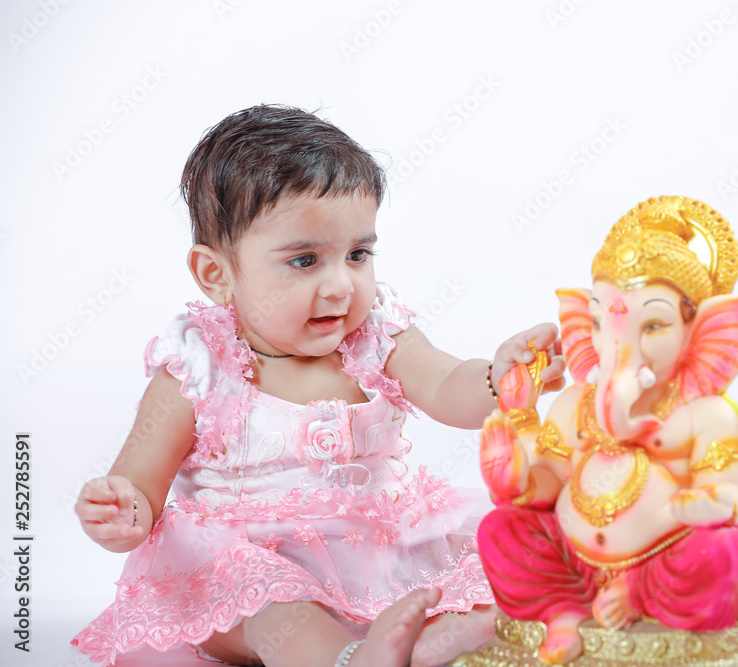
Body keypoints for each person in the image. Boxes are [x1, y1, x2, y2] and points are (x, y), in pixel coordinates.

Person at [71, 104, 565, 667]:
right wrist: (123, 512)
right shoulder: (199, 366)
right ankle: (351, 659)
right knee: (281, 610)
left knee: (494, 568)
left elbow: (448, 385)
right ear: (218, 274)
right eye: (304, 260)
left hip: (377, 555)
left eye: (357, 254)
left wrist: (499, 379)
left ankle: (433, 644)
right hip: (241, 573)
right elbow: (140, 484)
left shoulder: (379, 337)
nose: (339, 286)